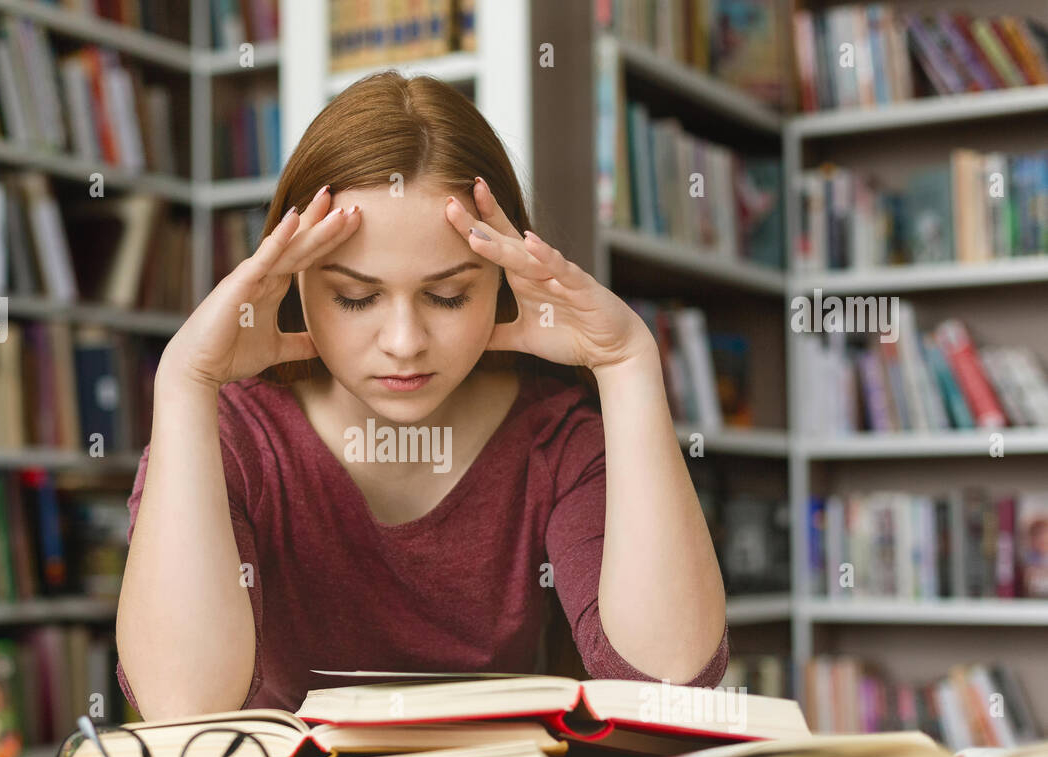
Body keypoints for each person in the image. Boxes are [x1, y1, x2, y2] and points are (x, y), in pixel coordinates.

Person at [115, 71, 728, 719]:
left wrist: (628, 362)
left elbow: (669, 683)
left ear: (503, 279)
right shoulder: (233, 440)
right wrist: (183, 384)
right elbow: (183, 708)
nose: (404, 342)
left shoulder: (555, 437)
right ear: (292, 281)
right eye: (355, 296)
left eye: (448, 295)